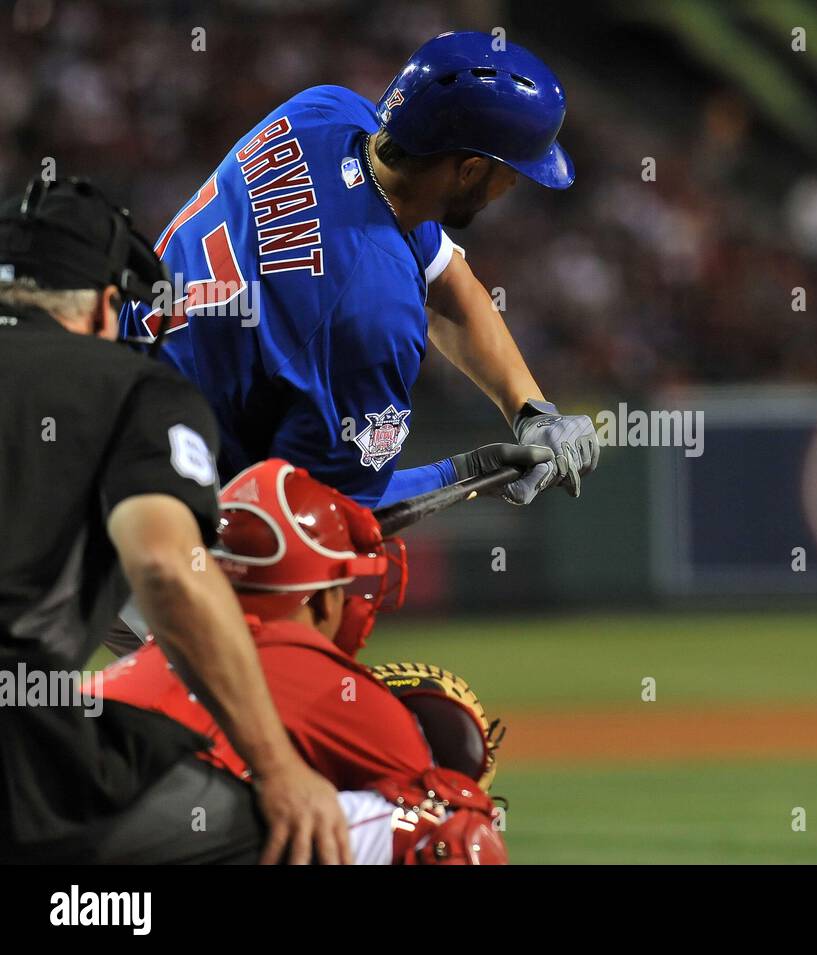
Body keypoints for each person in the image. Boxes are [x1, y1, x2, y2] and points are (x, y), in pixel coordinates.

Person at [0, 176, 350, 864]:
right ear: (106, 306)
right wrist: (278, 767)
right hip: (22, 758)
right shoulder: (133, 387)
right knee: (289, 831)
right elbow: (166, 566)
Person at [121, 30, 599, 510]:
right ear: (470, 170)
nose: (516, 181)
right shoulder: (373, 308)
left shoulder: (325, 111)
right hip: (149, 493)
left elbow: (450, 287)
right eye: (511, 168)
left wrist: (531, 411)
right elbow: (324, 515)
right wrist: (469, 473)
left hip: (110, 375)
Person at [94, 459, 507, 864]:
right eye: (344, 585)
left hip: (61, 843)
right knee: (452, 829)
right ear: (322, 598)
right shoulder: (318, 674)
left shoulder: (159, 648)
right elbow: (433, 789)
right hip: (127, 844)